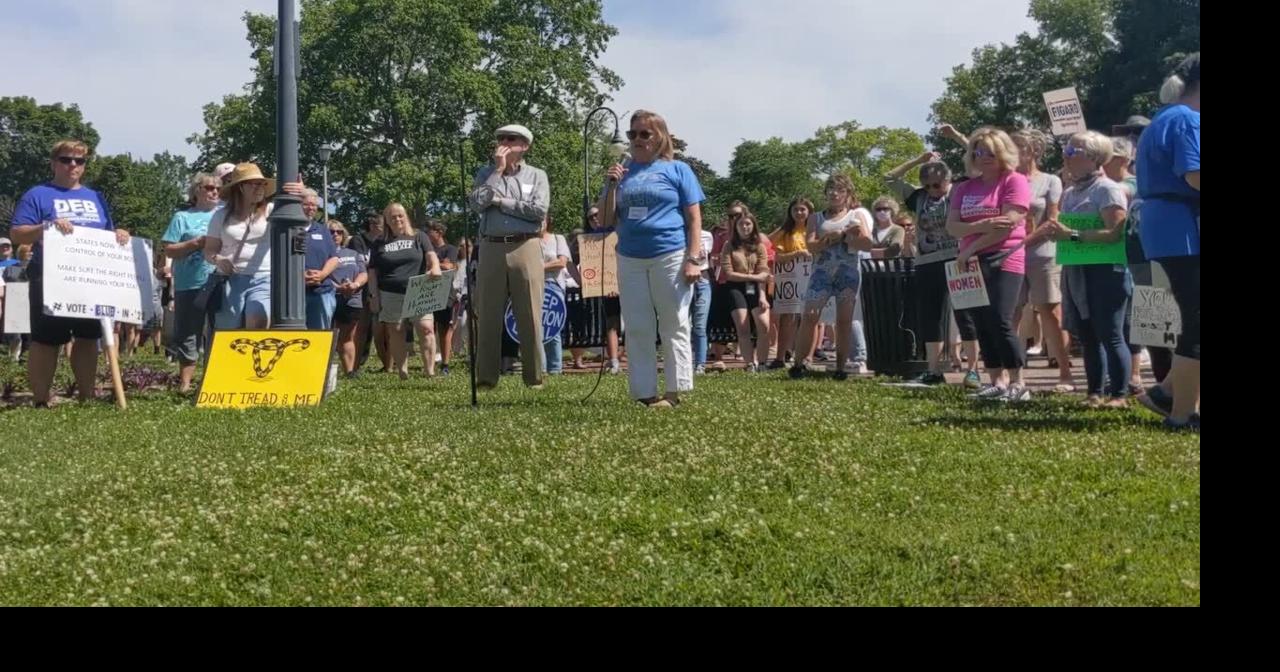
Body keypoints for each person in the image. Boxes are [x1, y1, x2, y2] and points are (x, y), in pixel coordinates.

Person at [7, 139, 131, 406]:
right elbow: (17, 233)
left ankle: (86, 397)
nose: (73, 165)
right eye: (66, 159)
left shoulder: (95, 197)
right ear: (53, 164)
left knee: (88, 336)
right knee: (46, 339)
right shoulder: (37, 194)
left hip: (89, 276)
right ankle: (41, 400)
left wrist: (119, 235)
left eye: (79, 160)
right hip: (50, 275)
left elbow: (105, 233)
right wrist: (45, 227)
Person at [599, 109, 706, 408]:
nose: (636, 139)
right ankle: (644, 393)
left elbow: (694, 219)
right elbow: (605, 219)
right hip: (630, 257)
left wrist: (693, 258)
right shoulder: (622, 172)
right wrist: (611, 185)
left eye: (644, 134)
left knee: (673, 323)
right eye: (632, 134)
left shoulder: (677, 169)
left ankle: (674, 393)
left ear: (660, 137)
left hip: (669, 254)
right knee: (636, 325)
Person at [1044, 131, 1133, 408]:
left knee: (1110, 332)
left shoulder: (1107, 189)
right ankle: (1094, 391)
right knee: (1088, 334)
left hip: (1107, 269)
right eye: (1067, 151)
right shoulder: (1070, 192)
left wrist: (1070, 235)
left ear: (1094, 158)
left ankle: (1119, 394)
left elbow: (1114, 232)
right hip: (1078, 269)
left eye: (1073, 152)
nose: (1066, 157)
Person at [1135, 53, 1200, 431]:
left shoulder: (1168, 117)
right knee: (1197, 322)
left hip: (1170, 227)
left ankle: (1165, 394)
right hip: (1183, 230)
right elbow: (1195, 175)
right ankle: (1182, 414)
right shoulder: (1188, 120)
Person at [946, 127, 1033, 402]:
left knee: (1000, 318)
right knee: (981, 322)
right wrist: (982, 225)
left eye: (990, 152)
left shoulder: (1014, 181)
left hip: (1005, 256)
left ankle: (1018, 382)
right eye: (978, 151)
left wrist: (972, 243)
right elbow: (952, 227)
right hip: (970, 262)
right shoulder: (964, 187)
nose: (984, 157)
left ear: (1003, 152)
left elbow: (1008, 224)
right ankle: (996, 380)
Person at [884, 151, 981, 387]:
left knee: (965, 314)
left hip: (958, 258)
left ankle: (973, 371)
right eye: (927, 186)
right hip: (927, 262)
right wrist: (918, 159)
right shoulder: (918, 198)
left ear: (948, 181)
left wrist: (958, 137)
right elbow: (889, 178)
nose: (932, 190)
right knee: (930, 318)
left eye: (937, 185)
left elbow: (980, 164)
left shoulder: (960, 190)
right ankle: (934, 370)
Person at [468, 123, 550, 390]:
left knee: (530, 314)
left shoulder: (537, 176)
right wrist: (498, 171)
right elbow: (477, 203)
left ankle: (534, 376)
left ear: (524, 145)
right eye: (500, 138)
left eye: (510, 139)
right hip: (491, 246)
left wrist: (502, 202)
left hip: (525, 246)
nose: (503, 142)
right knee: (488, 314)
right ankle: (486, 378)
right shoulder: (485, 173)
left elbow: (538, 210)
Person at [788, 174, 873, 381]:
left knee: (844, 320)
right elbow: (811, 245)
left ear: (848, 194)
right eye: (831, 190)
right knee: (810, 316)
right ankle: (799, 364)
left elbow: (867, 244)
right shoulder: (816, 218)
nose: (835, 194)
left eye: (840, 190)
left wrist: (847, 234)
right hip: (822, 271)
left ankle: (841, 367)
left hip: (848, 272)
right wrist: (830, 238)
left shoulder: (855, 216)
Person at [1008, 129, 1072, 392]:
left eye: (1018, 148)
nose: (1013, 153)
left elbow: (1052, 221)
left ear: (1034, 150)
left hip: (1042, 254)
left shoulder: (1049, 181)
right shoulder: (1007, 180)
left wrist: (1025, 241)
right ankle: (1013, 377)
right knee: (1010, 314)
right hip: (1010, 255)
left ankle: (1065, 374)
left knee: (1050, 312)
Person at [368, 203, 442, 379]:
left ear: (406, 216)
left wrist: (435, 267)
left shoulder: (419, 236)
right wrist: (374, 296)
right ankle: (402, 372)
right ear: (386, 220)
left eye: (400, 215)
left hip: (419, 289)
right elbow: (372, 272)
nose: (397, 219)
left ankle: (430, 372)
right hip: (390, 292)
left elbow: (431, 256)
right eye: (392, 216)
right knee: (396, 330)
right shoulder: (380, 242)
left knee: (426, 328)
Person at [161, 172, 219, 392]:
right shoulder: (182, 217)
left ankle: (213, 381)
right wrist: (195, 243)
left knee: (218, 330)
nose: (215, 192)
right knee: (188, 333)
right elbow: (168, 249)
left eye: (218, 189)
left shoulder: (224, 215)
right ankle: (185, 383)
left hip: (219, 282)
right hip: (189, 284)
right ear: (197, 190)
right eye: (209, 188)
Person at [766, 197, 815, 370]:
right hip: (789, 278)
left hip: (811, 276)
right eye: (795, 210)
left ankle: (807, 358)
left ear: (809, 211)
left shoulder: (814, 229)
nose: (799, 213)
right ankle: (780, 357)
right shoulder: (786, 232)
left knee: (811, 317)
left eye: (803, 209)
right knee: (787, 317)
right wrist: (797, 253)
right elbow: (770, 249)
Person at [719, 212, 772, 371]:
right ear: (736, 227)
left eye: (748, 224)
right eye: (741, 224)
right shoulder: (728, 246)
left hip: (755, 287)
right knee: (743, 327)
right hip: (735, 287)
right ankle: (749, 363)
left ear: (753, 226)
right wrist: (752, 276)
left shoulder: (760, 246)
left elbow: (764, 271)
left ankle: (762, 363)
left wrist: (762, 295)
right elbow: (729, 273)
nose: (745, 227)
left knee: (764, 325)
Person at [348, 213, 389, 372]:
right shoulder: (358, 241)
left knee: (384, 330)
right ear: (372, 226)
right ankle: (355, 365)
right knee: (361, 328)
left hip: (381, 288)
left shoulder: (385, 241)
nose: (384, 230)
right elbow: (359, 263)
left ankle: (388, 365)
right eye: (381, 226)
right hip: (362, 288)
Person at [327, 221, 368, 377]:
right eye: (331, 232)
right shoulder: (322, 253)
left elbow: (363, 273)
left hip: (352, 299)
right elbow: (319, 273)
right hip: (328, 297)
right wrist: (337, 287)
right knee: (327, 335)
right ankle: (325, 370)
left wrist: (355, 284)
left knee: (347, 336)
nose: (335, 235)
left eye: (339, 232)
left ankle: (350, 372)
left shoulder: (353, 254)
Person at [300, 188, 340, 330]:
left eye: (314, 205)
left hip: (322, 292)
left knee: (319, 339)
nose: (311, 208)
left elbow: (334, 258)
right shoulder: (289, 228)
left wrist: (321, 275)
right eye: (306, 204)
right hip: (296, 294)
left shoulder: (322, 230)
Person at [425, 220, 460, 375]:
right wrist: (440, 264)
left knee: (444, 330)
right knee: (428, 329)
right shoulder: (426, 250)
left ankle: (445, 364)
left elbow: (450, 266)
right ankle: (429, 363)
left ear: (438, 233)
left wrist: (434, 264)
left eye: (430, 231)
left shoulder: (450, 249)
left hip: (446, 294)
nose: (427, 234)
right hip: (427, 293)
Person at [539, 215, 571, 375]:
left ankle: (555, 368)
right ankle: (540, 369)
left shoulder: (558, 239)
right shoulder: (529, 242)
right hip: (534, 287)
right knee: (536, 328)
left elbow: (562, 262)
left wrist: (540, 266)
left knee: (553, 328)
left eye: (542, 219)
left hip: (554, 286)